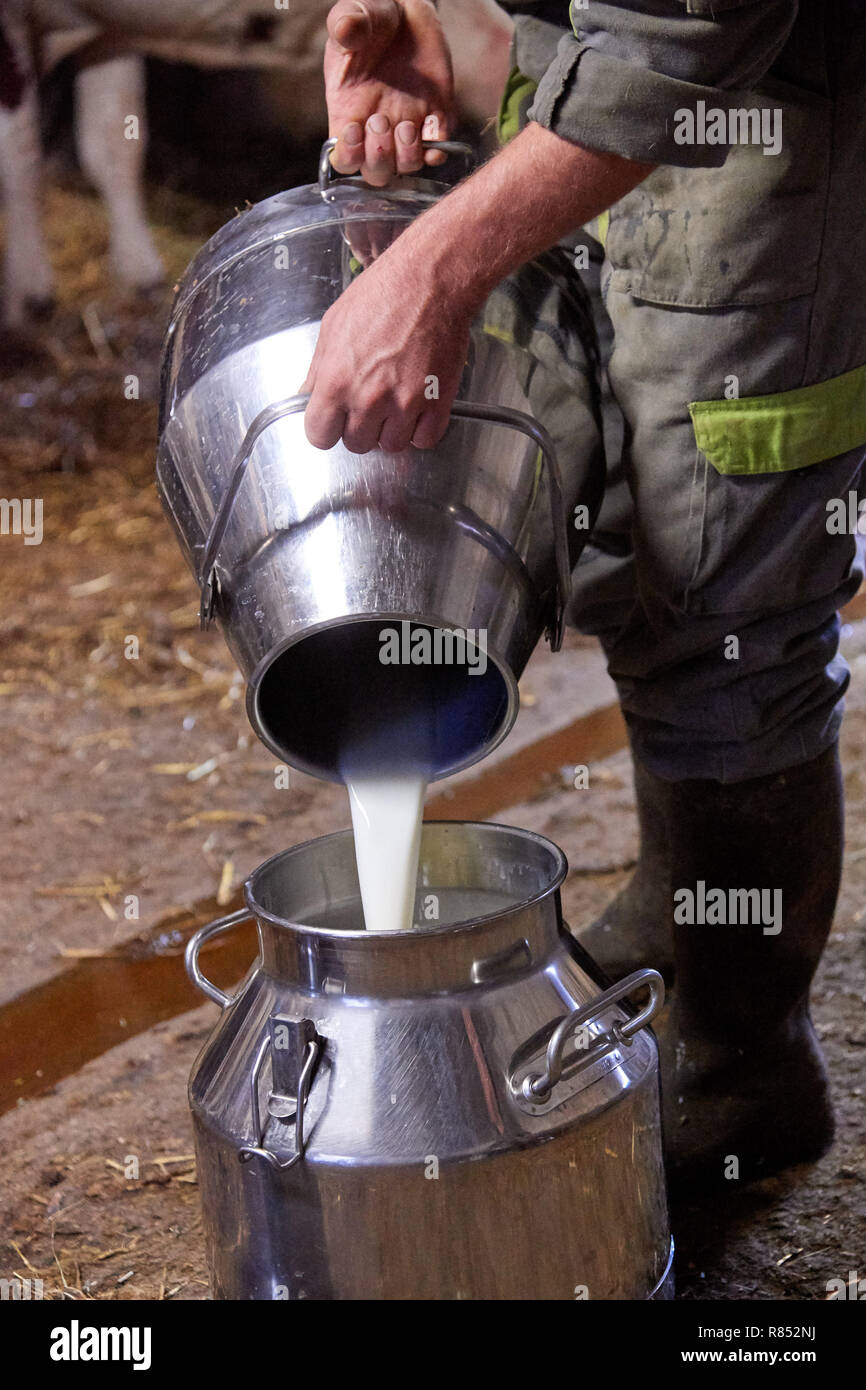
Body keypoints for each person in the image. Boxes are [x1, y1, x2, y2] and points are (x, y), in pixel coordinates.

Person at [305, 0, 866, 1189]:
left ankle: (742, 1068)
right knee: (634, 538)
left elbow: (680, 43)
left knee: (727, 600)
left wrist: (433, 271)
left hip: (769, 119)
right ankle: (681, 917)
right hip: (595, 82)